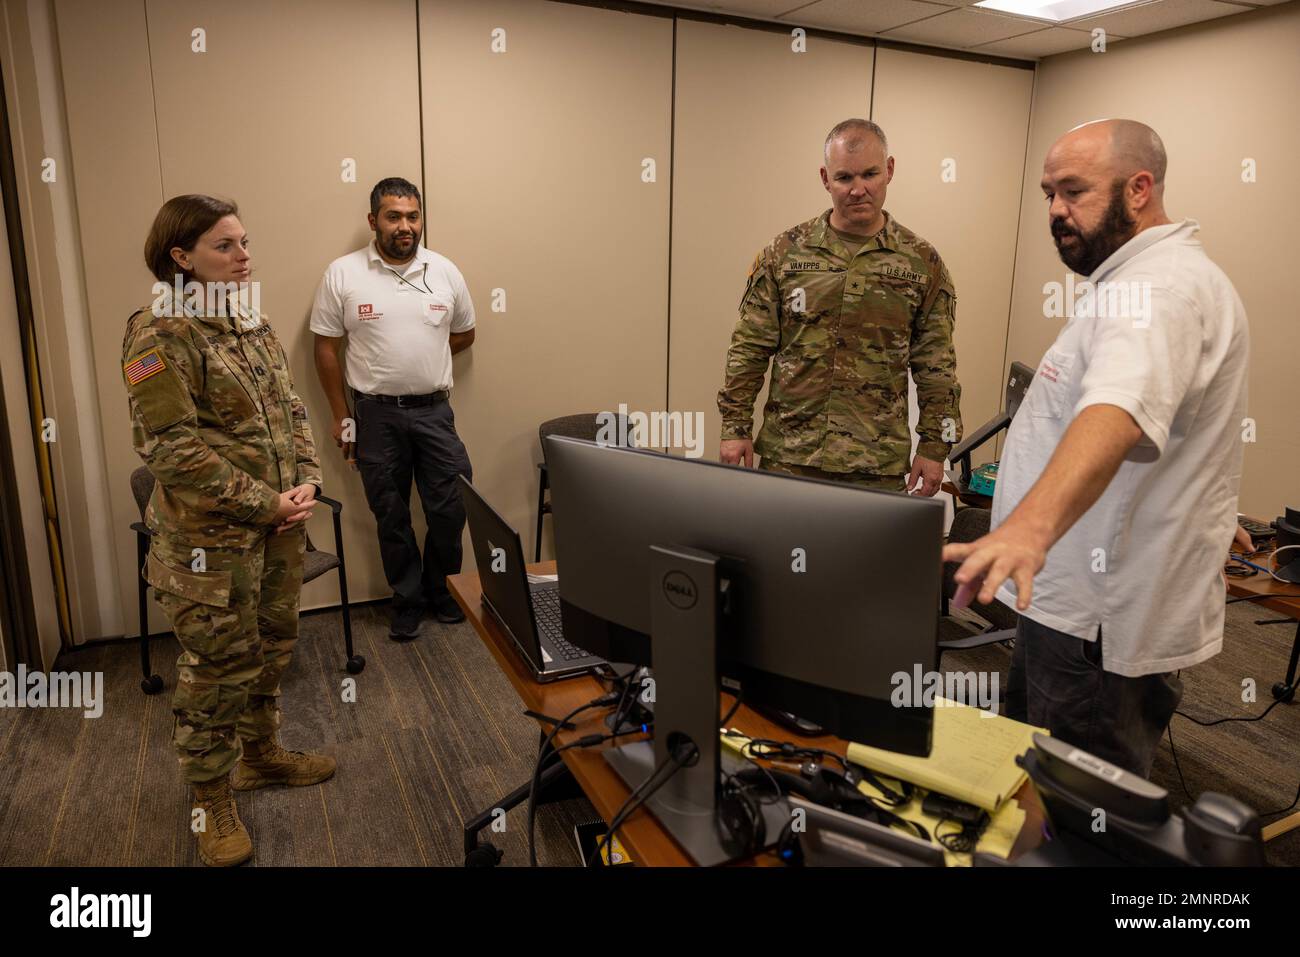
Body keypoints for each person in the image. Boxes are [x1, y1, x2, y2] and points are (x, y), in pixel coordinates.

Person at [944, 119, 1250, 778]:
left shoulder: (1155, 291)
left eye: (1074, 191)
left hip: (1095, 621)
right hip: (1075, 599)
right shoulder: (1146, 280)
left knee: (1074, 803)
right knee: (1029, 775)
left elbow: (1117, 413)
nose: (1056, 210)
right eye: (1049, 193)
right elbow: (1180, 414)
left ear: (1139, 188)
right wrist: (1208, 505)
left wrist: (1026, 527)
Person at [124, 195, 336, 867]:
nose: (245, 255)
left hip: (276, 530)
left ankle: (262, 755)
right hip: (210, 543)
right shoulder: (157, 333)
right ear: (182, 257)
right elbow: (170, 449)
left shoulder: (249, 318)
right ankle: (211, 800)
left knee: (272, 645)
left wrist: (305, 477)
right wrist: (263, 502)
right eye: (227, 245)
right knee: (216, 671)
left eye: (245, 241)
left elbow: (292, 406)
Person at [717, 118, 962, 494]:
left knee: (864, 556)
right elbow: (749, 349)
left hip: (876, 462)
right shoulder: (784, 253)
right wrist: (735, 428)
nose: (858, 190)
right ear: (825, 178)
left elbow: (936, 366)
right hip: (790, 455)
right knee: (780, 552)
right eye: (844, 177)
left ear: (890, 170)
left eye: (870, 174)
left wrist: (933, 447)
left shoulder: (920, 262)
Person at [311, 177, 476, 640]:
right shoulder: (343, 273)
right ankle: (407, 600)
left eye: (412, 216)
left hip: (435, 413)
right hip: (375, 415)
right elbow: (325, 348)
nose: (405, 226)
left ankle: (443, 591)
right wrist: (342, 415)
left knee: (451, 505)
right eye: (394, 216)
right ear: (373, 221)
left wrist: (428, 361)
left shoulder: (444, 270)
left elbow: (464, 332)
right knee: (391, 511)